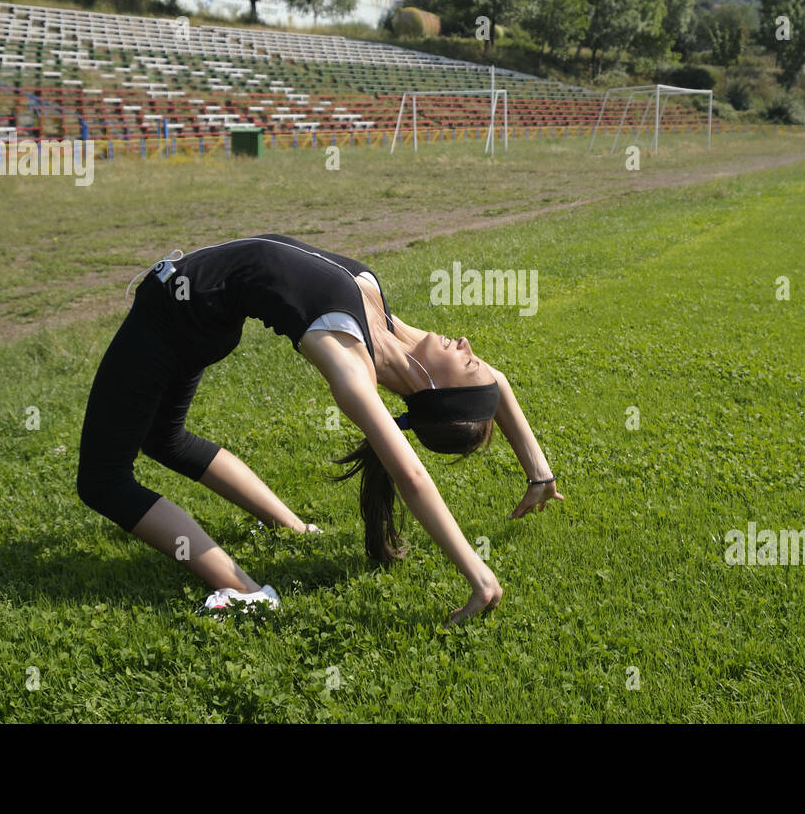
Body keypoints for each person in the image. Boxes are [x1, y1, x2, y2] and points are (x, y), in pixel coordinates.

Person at [75, 233, 562, 623]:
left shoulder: (350, 361)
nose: (468, 344)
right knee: (165, 439)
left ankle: (243, 590)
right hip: (196, 316)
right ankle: (291, 525)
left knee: (103, 482)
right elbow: (494, 382)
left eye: (469, 361)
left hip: (171, 323)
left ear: (440, 389)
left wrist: (478, 575)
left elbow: (411, 477)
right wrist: (539, 473)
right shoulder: (395, 335)